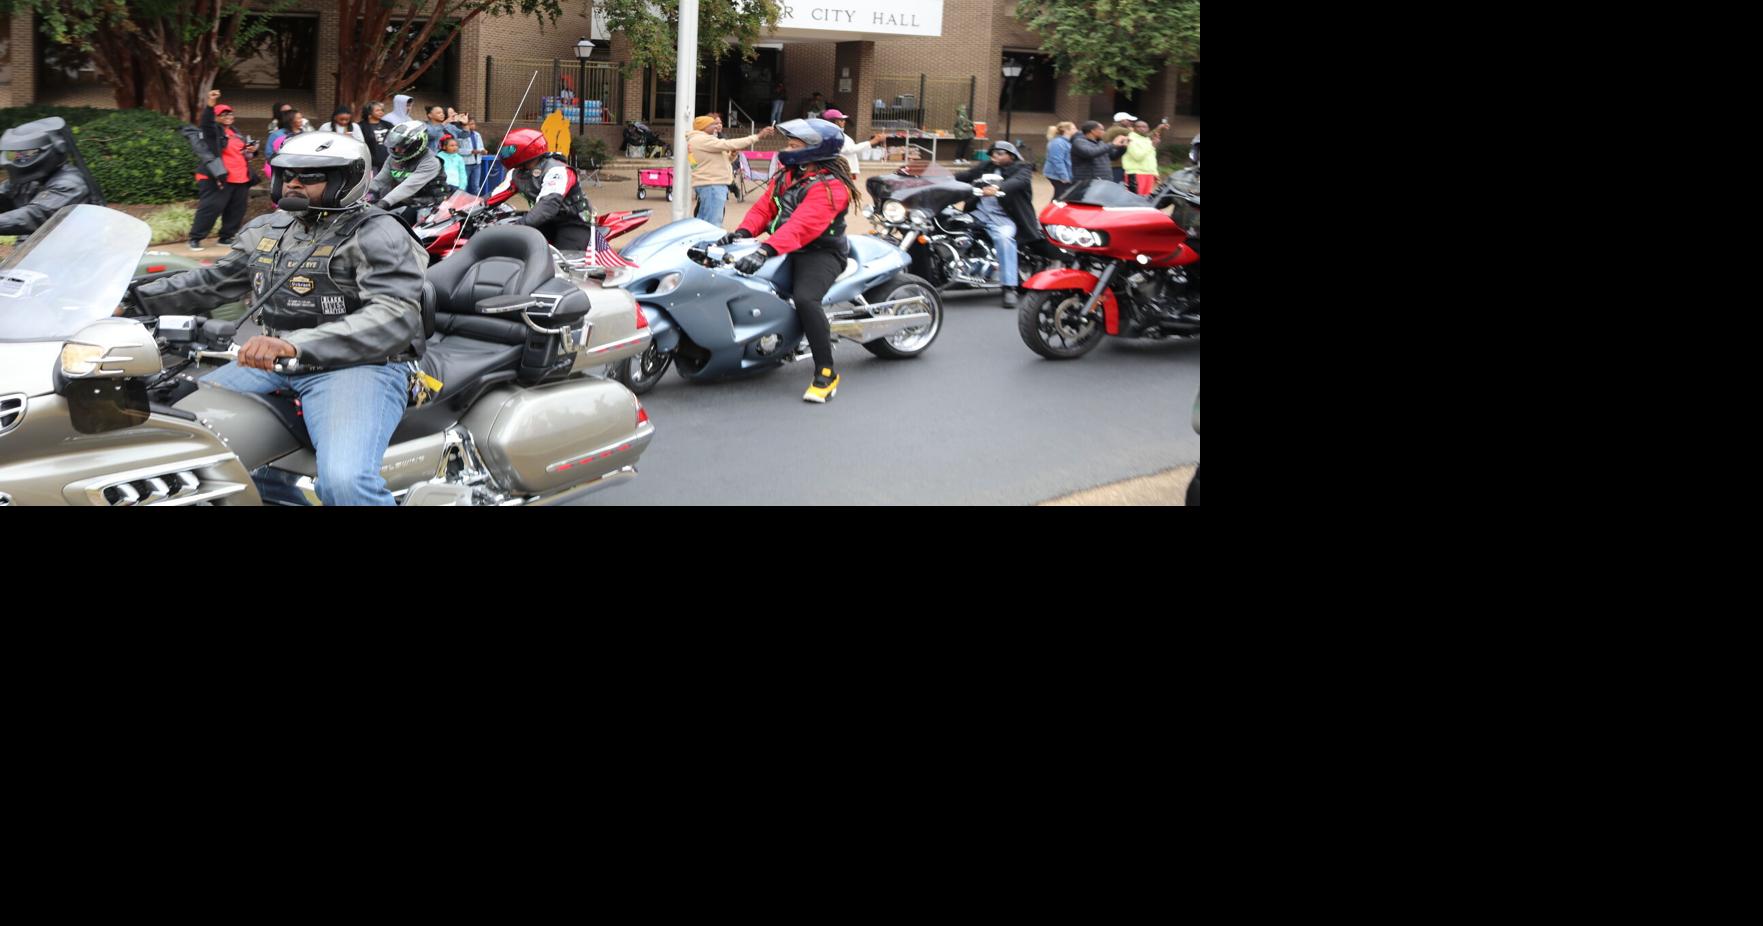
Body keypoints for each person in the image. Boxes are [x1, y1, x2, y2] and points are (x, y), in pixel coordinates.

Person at [129, 133, 428, 506]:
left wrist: (295, 344)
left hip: (358, 366)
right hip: (273, 362)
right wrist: (130, 297)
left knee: (345, 483)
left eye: (309, 176)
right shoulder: (266, 230)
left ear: (346, 180)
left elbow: (394, 315)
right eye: (287, 174)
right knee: (184, 439)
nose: (293, 183)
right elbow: (213, 282)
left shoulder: (377, 232)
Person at [715, 118, 862, 404]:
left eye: (794, 145)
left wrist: (765, 251)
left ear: (815, 149)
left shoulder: (831, 187)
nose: (787, 149)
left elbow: (803, 226)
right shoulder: (789, 174)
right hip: (783, 246)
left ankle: (826, 373)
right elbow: (765, 208)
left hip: (820, 252)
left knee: (806, 299)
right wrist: (743, 233)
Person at [954, 141, 1043, 309]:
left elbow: (1017, 182)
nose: (995, 156)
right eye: (993, 153)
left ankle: (1009, 287)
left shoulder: (1022, 168)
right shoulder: (985, 167)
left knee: (1004, 238)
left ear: (1012, 155)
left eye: (1000, 153)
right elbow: (965, 175)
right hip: (979, 213)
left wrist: (997, 188)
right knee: (952, 226)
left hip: (1004, 217)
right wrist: (935, 177)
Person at [495, 127, 598, 253]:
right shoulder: (516, 173)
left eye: (508, 150)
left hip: (572, 221)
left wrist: (518, 226)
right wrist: (469, 209)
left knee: (563, 261)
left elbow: (548, 205)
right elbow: (494, 196)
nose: (504, 154)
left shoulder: (558, 170)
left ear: (526, 150)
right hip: (545, 220)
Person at [0, 116, 98, 238]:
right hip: (29, 249)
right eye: (14, 155)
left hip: (64, 252)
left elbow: (34, 216)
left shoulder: (71, 184)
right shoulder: (27, 180)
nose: (19, 159)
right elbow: (3, 195)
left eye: (26, 155)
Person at [187, 104, 259, 251]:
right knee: (211, 208)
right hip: (218, 176)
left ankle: (226, 236)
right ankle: (195, 238)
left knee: (237, 209)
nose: (228, 117)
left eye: (230, 114)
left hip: (240, 177)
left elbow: (243, 153)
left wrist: (251, 150)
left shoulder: (235, 132)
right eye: (223, 114)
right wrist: (209, 105)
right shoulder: (212, 132)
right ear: (216, 117)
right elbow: (206, 123)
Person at [686, 114, 774, 227]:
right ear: (703, 127)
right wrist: (758, 136)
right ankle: (709, 244)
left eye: (718, 123)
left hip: (710, 185)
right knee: (713, 222)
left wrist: (732, 155)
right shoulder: (702, 139)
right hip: (712, 185)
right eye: (713, 124)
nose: (716, 127)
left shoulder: (701, 140)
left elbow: (722, 159)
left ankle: (701, 244)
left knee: (704, 220)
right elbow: (728, 143)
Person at [365, 120, 449, 225]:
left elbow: (408, 187)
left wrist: (382, 203)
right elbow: (379, 181)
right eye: (393, 147)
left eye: (400, 147)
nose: (395, 150)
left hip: (428, 204)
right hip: (406, 200)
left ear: (416, 144)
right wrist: (359, 195)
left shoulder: (431, 162)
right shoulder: (394, 158)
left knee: (393, 224)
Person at [821, 109, 884, 176]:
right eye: (841, 120)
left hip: (842, 169)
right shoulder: (834, 135)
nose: (844, 122)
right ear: (834, 122)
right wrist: (872, 142)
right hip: (841, 170)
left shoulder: (835, 133)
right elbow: (850, 149)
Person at [1123, 121, 1159, 196]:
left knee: (1145, 200)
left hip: (1149, 173)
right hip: (1136, 173)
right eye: (1139, 127)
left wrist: (1155, 172)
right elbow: (1137, 156)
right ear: (1134, 128)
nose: (1142, 129)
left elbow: (1151, 158)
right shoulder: (1130, 139)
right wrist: (1152, 145)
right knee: (1134, 199)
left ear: (1148, 129)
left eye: (1144, 127)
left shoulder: (1147, 139)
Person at [1043, 122, 1076, 202]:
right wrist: (1064, 176)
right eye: (1074, 128)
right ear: (1066, 131)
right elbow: (1057, 160)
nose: (1076, 130)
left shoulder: (1065, 142)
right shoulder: (1058, 142)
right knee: (1061, 197)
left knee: (1059, 196)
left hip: (1061, 175)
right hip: (1057, 175)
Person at [1105, 112, 1137, 184]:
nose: (1131, 122)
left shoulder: (1113, 128)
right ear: (1122, 121)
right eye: (1129, 120)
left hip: (1113, 162)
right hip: (1116, 163)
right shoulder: (1119, 129)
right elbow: (1138, 135)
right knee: (1116, 186)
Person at [459, 117, 487, 194]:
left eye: (473, 124)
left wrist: (483, 150)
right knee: (463, 185)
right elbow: (457, 150)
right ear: (464, 125)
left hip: (477, 164)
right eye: (470, 124)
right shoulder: (460, 135)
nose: (473, 125)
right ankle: (461, 202)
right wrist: (470, 151)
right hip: (466, 164)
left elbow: (481, 146)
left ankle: (477, 202)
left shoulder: (477, 134)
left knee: (476, 185)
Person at [362, 100, 391, 172]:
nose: (381, 112)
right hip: (372, 163)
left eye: (382, 110)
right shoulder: (362, 126)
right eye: (377, 110)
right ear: (369, 112)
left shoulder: (388, 124)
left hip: (388, 161)